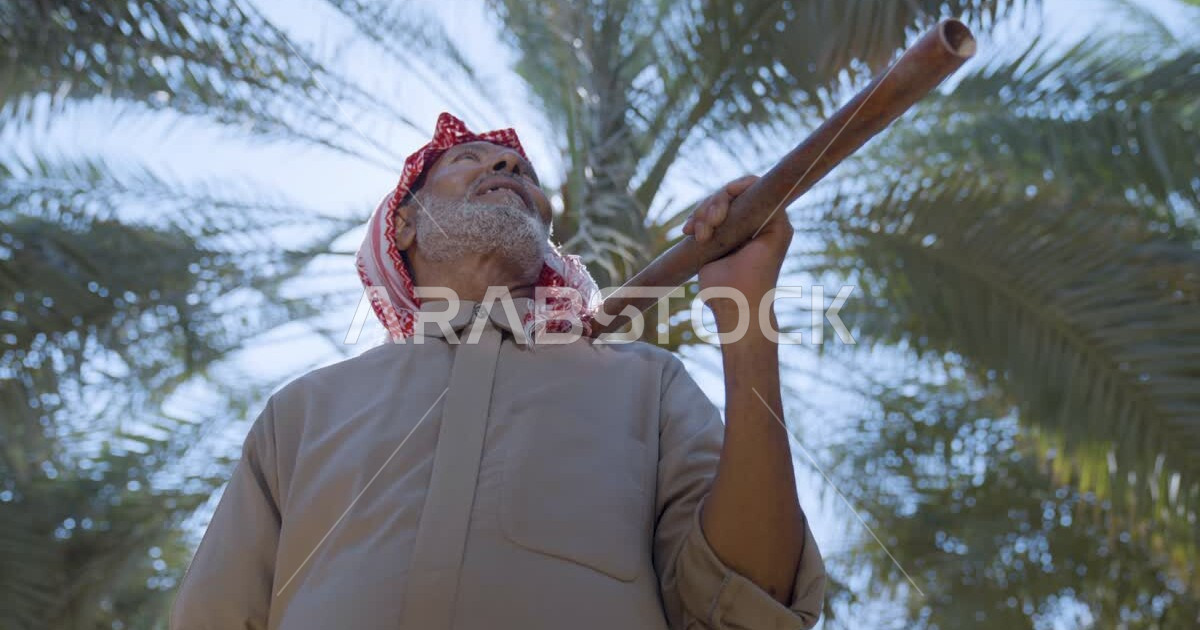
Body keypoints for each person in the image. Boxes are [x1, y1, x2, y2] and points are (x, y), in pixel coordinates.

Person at [170, 113, 824, 629]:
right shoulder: (304, 411)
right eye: (468, 160)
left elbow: (749, 600)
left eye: (522, 171)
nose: (508, 165)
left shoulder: (647, 383)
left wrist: (746, 316)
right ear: (403, 226)